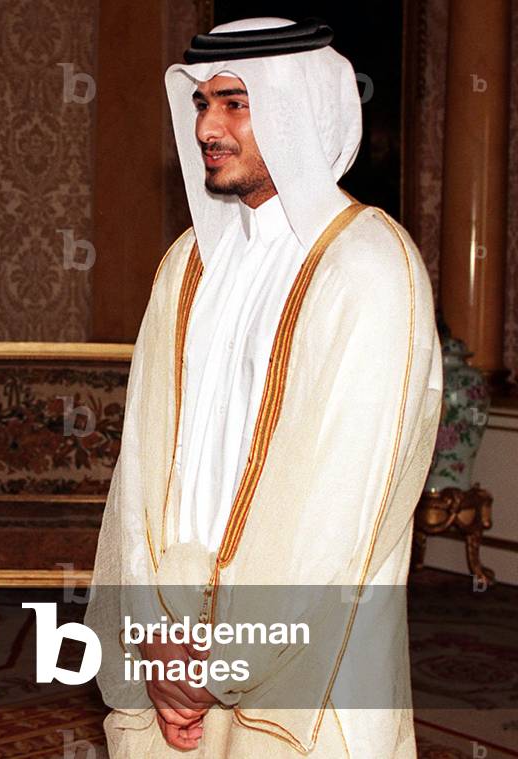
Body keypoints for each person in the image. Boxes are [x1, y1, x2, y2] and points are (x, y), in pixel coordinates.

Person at [84, 17, 442, 758]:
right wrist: (151, 637)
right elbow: (141, 472)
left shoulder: (370, 269)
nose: (209, 125)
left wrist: (219, 662)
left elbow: (342, 507)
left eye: (235, 103)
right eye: (202, 103)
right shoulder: (186, 266)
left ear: (297, 110)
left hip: (306, 656)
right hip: (171, 646)